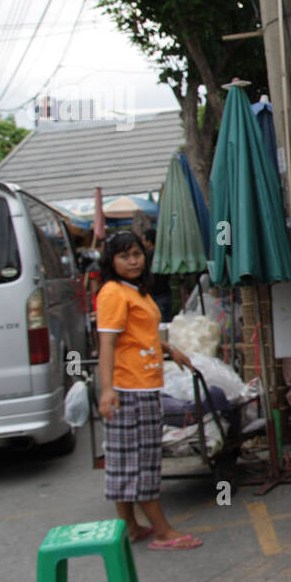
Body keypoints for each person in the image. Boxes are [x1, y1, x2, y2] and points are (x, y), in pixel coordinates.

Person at [97, 230, 202, 550]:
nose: (132, 261)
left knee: (123, 461)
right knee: (142, 462)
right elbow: (107, 343)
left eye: (137, 254)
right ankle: (162, 532)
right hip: (128, 389)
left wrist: (169, 349)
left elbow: (138, 335)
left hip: (141, 384)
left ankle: (130, 526)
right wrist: (106, 390)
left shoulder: (135, 291)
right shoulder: (113, 293)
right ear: (111, 261)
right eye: (124, 256)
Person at [141, 228, 174, 322]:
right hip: (166, 292)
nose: (142, 243)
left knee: (161, 325)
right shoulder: (163, 254)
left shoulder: (149, 256)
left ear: (149, 241)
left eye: (143, 240)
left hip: (156, 295)